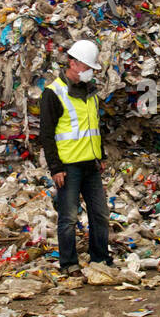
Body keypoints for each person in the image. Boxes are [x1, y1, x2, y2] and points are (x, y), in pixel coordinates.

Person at [37, 39, 112, 273]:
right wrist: (55, 168)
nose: (90, 72)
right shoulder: (54, 93)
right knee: (68, 218)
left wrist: (101, 155)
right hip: (68, 167)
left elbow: (94, 127)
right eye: (87, 67)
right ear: (72, 63)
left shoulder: (91, 93)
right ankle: (69, 264)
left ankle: (100, 259)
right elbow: (47, 134)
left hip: (90, 165)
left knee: (100, 214)